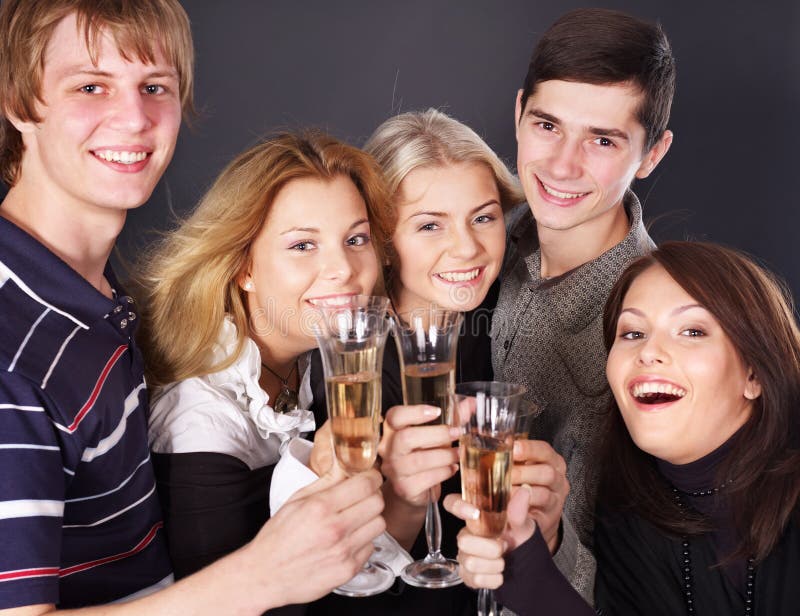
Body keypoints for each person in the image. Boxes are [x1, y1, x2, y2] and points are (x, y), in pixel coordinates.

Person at [0, 1, 385, 612]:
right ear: (20, 103)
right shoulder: (12, 348)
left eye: (155, 86)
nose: (133, 118)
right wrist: (263, 574)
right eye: (91, 86)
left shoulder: (94, 302)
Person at [302, 109, 568, 614]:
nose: (467, 247)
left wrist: (546, 532)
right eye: (429, 225)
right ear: (382, 241)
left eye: (483, 217)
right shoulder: (346, 362)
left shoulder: (514, 324)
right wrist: (399, 504)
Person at [447, 241, 800, 615]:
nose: (648, 351)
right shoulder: (628, 514)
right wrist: (525, 563)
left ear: (755, 374)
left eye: (692, 331)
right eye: (632, 333)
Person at [140, 130, 393, 582]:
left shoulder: (312, 355)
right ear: (244, 267)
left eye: (356, 239)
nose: (345, 270)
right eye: (302, 245)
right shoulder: (199, 419)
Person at [489, 7, 676, 598]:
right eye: (547, 125)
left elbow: (642, 590)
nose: (562, 165)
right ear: (519, 114)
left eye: (601, 139)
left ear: (651, 156)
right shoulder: (484, 243)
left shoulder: (653, 338)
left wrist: (546, 545)